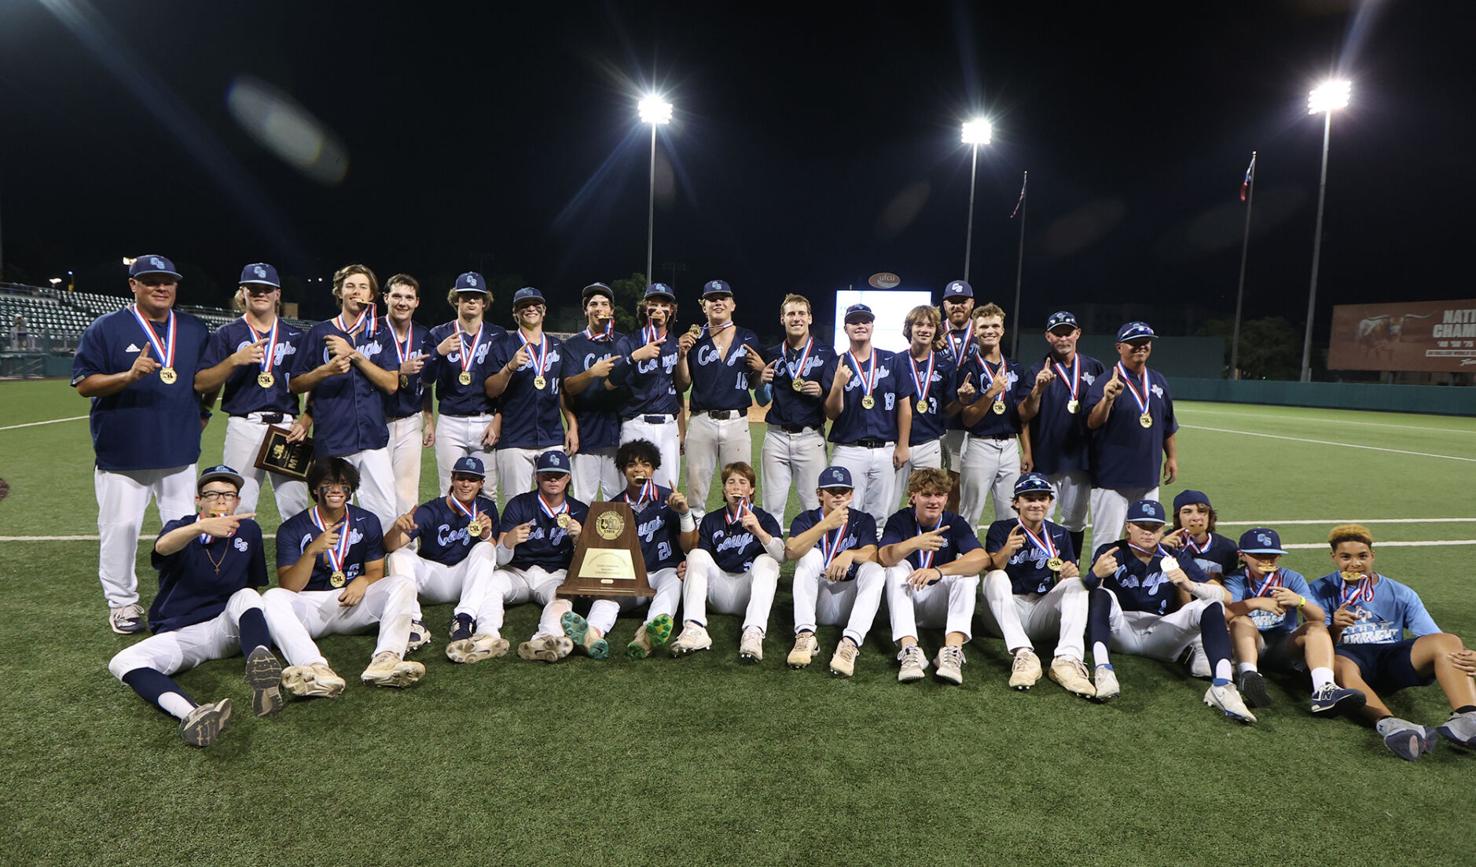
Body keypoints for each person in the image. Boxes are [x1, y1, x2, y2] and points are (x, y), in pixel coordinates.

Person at [73, 254, 210, 633]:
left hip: (178, 452)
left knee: (183, 528)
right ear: (133, 285)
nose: (161, 287)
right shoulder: (107, 327)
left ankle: (183, 596)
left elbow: (207, 379)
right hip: (123, 454)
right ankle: (122, 603)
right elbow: (84, 384)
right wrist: (127, 376)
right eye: (151, 281)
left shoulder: (194, 328)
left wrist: (205, 411)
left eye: (168, 281)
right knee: (121, 529)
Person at [105, 466, 284, 747]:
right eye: (212, 494)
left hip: (225, 629)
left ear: (237, 501)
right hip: (181, 633)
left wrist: (250, 630)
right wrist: (200, 527)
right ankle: (193, 715)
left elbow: (254, 584)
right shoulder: (181, 527)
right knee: (122, 661)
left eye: (228, 494)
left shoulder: (249, 530)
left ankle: (262, 672)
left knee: (248, 595)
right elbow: (162, 548)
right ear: (198, 500)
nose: (221, 500)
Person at [1307, 524, 1476, 761]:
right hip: (1349, 664)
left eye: (1362, 556)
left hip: (1391, 660)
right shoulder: (1319, 590)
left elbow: (1433, 636)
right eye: (1346, 557)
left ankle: (1468, 718)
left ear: (1372, 556)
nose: (1355, 564)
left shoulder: (1400, 593)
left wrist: (1462, 653)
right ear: (1333, 557)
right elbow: (1316, 644)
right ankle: (1390, 723)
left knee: (1449, 641)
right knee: (1337, 662)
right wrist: (1335, 627)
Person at [1082, 499, 1255, 723]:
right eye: (1142, 526)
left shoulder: (1175, 556)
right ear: (1129, 526)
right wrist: (1094, 575)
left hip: (1160, 632)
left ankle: (1222, 686)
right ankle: (1103, 670)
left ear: (1162, 528)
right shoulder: (1111, 551)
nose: (1148, 532)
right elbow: (1086, 592)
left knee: (1212, 604)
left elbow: (1226, 596)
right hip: (1120, 630)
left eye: (1154, 527)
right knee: (1101, 593)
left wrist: (1190, 585)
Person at [263, 458, 424, 690]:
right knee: (272, 598)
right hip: (312, 607)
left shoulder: (366, 520)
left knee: (402, 583)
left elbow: (376, 570)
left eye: (343, 484)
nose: (336, 490)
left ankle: (386, 660)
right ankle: (313, 668)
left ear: (351, 490)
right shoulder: (292, 528)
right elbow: (289, 586)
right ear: (315, 488)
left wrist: (364, 580)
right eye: (328, 484)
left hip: (354, 604)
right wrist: (311, 552)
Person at [287, 263, 400, 533]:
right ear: (339, 292)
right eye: (350, 286)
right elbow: (295, 384)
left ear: (371, 295)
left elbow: (391, 384)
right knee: (332, 515)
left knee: (385, 514)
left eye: (363, 286)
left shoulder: (381, 333)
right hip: (334, 440)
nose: (356, 291)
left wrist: (354, 355)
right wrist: (325, 370)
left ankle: (379, 561)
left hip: (372, 439)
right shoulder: (319, 333)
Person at [195, 262, 311, 521]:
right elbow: (202, 383)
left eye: (267, 289)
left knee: (295, 505)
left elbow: (309, 383)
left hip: (286, 428)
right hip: (244, 426)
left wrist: (305, 420)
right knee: (239, 503)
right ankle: (238, 548)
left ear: (277, 294)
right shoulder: (226, 334)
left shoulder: (295, 336)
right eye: (253, 288)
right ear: (243, 292)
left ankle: (297, 550)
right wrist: (234, 361)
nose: (260, 293)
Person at [561, 439, 696, 660]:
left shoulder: (668, 500)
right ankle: (592, 633)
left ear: (653, 469)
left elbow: (689, 545)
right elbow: (601, 551)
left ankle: (649, 633)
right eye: (632, 464)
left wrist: (684, 513)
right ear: (623, 470)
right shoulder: (613, 507)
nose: (639, 469)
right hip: (627, 576)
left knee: (672, 583)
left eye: (645, 464)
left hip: (663, 569)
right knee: (607, 595)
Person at [1222, 527, 1366, 715]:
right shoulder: (1235, 579)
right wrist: (1255, 603)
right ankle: (1248, 675)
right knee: (1240, 621)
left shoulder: (1291, 578)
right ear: (1242, 556)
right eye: (1258, 555)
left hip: (1284, 645)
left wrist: (1300, 601)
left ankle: (1324, 689)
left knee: (1316, 627)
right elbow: (1226, 614)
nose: (1266, 560)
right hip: (1250, 643)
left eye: (1272, 555)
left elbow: (1319, 617)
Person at [978, 473, 1095, 698]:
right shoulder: (1001, 529)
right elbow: (992, 567)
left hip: (1041, 610)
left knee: (1076, 584)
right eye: (1029, 498)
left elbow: (1062, 573)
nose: (1036, 504)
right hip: (1006, 613)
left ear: (1049, 502)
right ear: (1016, 502)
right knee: (995, 577)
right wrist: (1007, 550)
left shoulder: (1059, 533)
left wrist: (1068, 573)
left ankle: (1067, 659)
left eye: (1042, 498)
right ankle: (1023, 653)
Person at [383, 456, 500, 662]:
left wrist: (486, 534)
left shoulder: (487, 508)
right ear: (452, 479)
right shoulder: (431, 510)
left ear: (481, 483)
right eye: (461, 478)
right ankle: (415, 622)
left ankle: (464, 619)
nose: (466, 484)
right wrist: (396, 529)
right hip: (431, 578)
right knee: (398, 555)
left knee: (485, 548)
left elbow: (491, 549)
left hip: (463, 580)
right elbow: (390, 546)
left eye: (472, 479)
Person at [878, 469, 987, 685]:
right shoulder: (900, 520)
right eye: (926, 494)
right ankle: (909, 649)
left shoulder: (954, 522)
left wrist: (938, 571)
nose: (934, 501)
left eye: (939, 495)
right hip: (907, 599)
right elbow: (883, 557)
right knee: (895, 568)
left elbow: (982, 558)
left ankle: (952, 651)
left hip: (940, 605)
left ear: (946, 498)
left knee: (968, 574)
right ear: (913, 496)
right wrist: (913, 543)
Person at [481, 450, 589, 664]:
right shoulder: (519, 504)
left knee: (563, 597)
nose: (553, 480)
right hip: (517, 572)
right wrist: (508, 542)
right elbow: (501, 559)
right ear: (536, 476)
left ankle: (545, 639)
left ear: (568, 478)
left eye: (558, 475)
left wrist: (580, 540)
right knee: (490, 584)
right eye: (547, 474)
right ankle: (486, 635)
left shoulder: (580, 510)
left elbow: (585, 563)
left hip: (555, 575)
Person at [670, 462, 784, 660]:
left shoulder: (764, 518)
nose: (736, 487)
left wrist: (759, 531)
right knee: (695, 555)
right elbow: (702, 558)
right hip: (718, 591)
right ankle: (695, 628)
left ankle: (753, 632)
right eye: (731, 482)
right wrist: (689, 566)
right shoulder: (712, 520)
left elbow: (781, 556)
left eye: (742, 482)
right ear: (724, 489)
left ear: (751, 489)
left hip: (748, 593)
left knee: (769, 561)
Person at [1015, 310, 1105, 557]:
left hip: (1080, 458)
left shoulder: (1094, 367)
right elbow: (1023, 415)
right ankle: (1041, 569)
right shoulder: (1037, 370)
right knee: (1042, 517)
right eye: (1057, 334)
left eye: (1068, 333)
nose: (1063, 338)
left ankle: (1070, 566)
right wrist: (1037, 390)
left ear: (1078, 334)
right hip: (1045, 457)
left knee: (1075, 519)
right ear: (1048, 336)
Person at [1084, 321, 1178, 547]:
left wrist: (1172, 457)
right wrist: (1107, 399)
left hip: (1148, 478)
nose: (1141, 347)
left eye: (1145, 342)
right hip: (1112, 479)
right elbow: (1092, 422)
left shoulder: (1158, 381)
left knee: (1145, 543)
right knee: (1107, 543)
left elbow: (1167, 424)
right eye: (1134, 343)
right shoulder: (1105, 381)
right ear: (1119, 347)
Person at [784, 465, 885, 677]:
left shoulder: (862, 519)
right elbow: (791, 551)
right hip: (816, 598)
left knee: (875, 571)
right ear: (820, 494)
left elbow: (873, 554)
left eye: (844, 491)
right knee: (810, 555)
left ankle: (850, 643)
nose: (839, 496)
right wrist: (825, 525)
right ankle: (805, 635)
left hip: (849, 600)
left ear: (851, 494)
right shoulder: (806, 519)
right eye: (832, 490)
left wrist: (850, 554)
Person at [675, 279, 761, 516]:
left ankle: (739, 531)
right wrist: (682, 356)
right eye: (712, 299)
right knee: (695, 488)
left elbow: (754, 383)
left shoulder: (748, 337)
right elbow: (683, 384)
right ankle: (694, 534)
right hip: (702, 420)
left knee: (740, 485)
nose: (718, 302)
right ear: (703, 306)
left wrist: (762, 370)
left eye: (723, 298)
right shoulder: (694, 339)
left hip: (736, 421)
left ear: (733, 304)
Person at [825, 303, 913, 533]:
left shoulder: (891, 360)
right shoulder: (837, 363)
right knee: (845, 512)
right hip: (849, 449)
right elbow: (832, 413)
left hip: (885, 449)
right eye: (854, 321)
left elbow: (904, 406)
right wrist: (837, 386)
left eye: (865, 321)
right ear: (845, 328)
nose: (860, 325)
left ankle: (872, 555)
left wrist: (903, 445)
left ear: (872, 326)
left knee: (880, 516)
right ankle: (844, 554)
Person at [756, 293, 835, 524]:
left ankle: (813, 548)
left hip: (811, 436)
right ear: (782, 319)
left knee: (813, 505)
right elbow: (762, 400)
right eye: (791, 314)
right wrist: (761, 381)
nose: (796, 318)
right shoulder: (772, 353)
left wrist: (821, 392)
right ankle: (772, 548)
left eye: (801, 313)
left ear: (810, 318)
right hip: (776, 437)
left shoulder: (826, 353)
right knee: (772, 506)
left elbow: (833, 400)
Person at [424, 272, 505, 499]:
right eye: (465, 296)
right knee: (449, 490)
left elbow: (506, 385)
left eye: (476, 297)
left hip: (486, 420)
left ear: (484, 302)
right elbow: (426, 379)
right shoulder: (439, 334)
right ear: (456, 300)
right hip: (450, 421)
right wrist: (438, 353)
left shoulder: (497, 335)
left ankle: (484, 526)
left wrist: (498, 419)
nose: (471, 301)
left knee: (487, 491)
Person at [484, 287, 569, 497]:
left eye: (535, 304)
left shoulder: (557, 346)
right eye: (524, 305)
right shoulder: (503, 345)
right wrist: (509, 367)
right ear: (515, 313)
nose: (531, 308)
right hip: (515, 438)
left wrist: (572, 425)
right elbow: (491, 390)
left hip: (552, 437)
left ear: (544, 310)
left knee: (555, 502)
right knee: (516, 503)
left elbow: (562, 391)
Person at [956, 303, 1027, 530]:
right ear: (975, 332)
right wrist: (991, 393)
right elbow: (968, 420)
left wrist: (1026, 451)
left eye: (995, 326)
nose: (990, 331)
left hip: (1010, 447)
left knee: (1011, 513)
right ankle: (966, 554)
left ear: (1002, 330)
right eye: (984, 327)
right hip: (979, 445)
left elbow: (1022, 416)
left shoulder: (1015, 368)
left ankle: (1004, 553)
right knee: (970, 512)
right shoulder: (968, 370)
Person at [608, 283, 683, 489]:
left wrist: (681, 431)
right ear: (644, 308)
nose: (659, 309)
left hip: (668, 426)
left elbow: (679, 390)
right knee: (632, 488)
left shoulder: (676, 345)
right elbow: (612, 381)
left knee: (667, 490)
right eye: (653, 304)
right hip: (636, 423)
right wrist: (634, 357)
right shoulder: (628, 343)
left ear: (671, 310)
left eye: (664, 304)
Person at [561, 283, 627, 502]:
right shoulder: (573, 344)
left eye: (604, 304)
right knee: (583, 500)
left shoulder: (622, 342)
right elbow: (568, 387)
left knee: (618, 502)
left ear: (612, 310)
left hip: (618, 433)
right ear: (585, 310)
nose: (599, 308)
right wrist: (591, 373)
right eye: (593, 304)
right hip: (586, 433)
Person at [379, 273, 434, 515]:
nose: (403, 302)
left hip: (410, 420)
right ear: (386, 298)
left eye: (409, 298)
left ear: (417, 302)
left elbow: (427, 382)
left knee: (407, 492)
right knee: (377, 490)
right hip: (376, 420)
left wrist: (429, 419)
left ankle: (405, 539)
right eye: (397, 296)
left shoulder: (423, 335)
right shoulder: (372, 330)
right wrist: (398, 369)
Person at [892, 304, 958, 500]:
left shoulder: (945, 365)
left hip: (929, 443)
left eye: (930, 325)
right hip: (897, 442)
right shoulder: (895, 362)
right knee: (890, 503)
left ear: (936, 330)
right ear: (909, 328)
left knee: (928, 501)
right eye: (919, 324)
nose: (924, 330)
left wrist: (962, 401)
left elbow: (948, 408)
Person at [939, 280, 976, 511]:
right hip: (933, 418)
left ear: (972, 303)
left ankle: (952, 528)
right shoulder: (933, 331)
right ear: (944, 304)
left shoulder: (982, 332)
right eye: (952, 302)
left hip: (966, 420)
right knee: (929, 483)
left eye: (962, 301)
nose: (957, 306)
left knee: (956, 486)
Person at [1162, 490, 1238, 580]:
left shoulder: (1227, 548)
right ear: (1178, 517)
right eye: (1187, 512)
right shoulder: (1163, 542)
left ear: (1210, 516)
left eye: (1201, 511)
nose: (1196, 518)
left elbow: (1231, 584)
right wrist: (1158, 550)